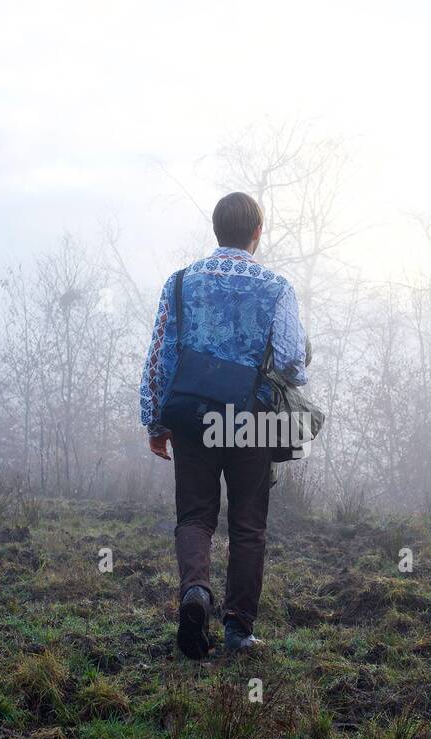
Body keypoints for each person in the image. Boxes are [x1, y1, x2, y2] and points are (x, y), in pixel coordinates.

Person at [138, 192, 309, 659]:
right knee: (248, 526)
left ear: (216, 231)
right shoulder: (276, 287)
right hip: (251, 421)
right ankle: (238, 630)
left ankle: (196, 591)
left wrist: (155, 420)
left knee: (195, 517)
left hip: (192, 415)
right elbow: (293, 359)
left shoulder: (180, 282)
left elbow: (161, 356)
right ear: (257, 233)